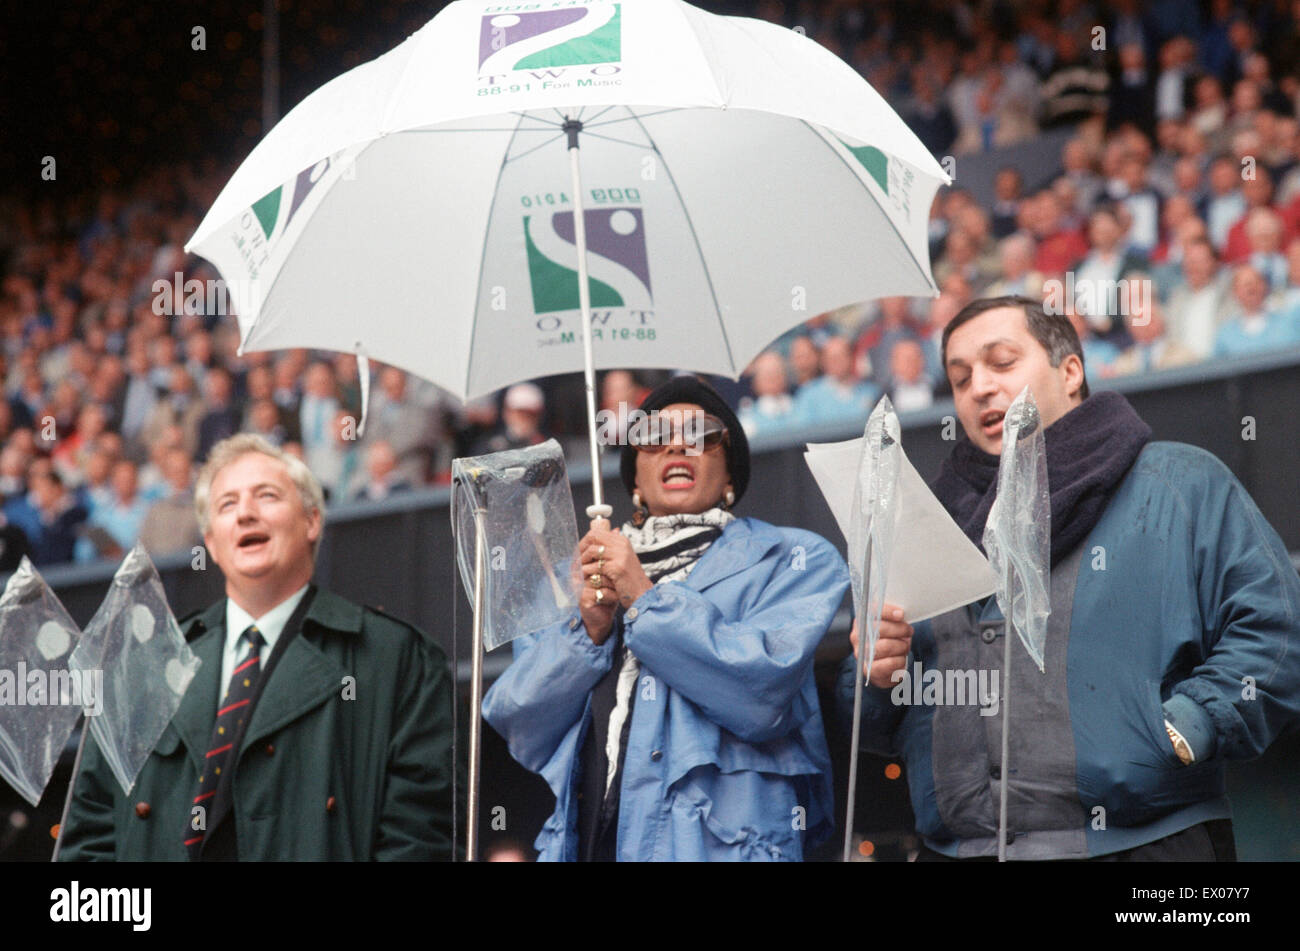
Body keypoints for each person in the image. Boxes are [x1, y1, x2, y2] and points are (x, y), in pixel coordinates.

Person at [838, 295, 1300, 861]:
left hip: (1147, 847)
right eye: (960, 379)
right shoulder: (921, 522)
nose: (979, 387)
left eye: (1002, 362)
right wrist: (877, 678)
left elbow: (1275, 631)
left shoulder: (1181, 481)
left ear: (1071, 370)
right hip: (961, 849)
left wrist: (1185, 729)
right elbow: (866, 716)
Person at [483, 376, 848, 861]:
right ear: (635, 480)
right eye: (653, 437)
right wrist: (588, 633)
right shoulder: (586, 580)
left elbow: (760, 693)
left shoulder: (793, 559)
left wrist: (643, 596)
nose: (677, 443)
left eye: (700, 434)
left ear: (731, 474)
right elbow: (518, 718)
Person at [59, 434, 454, 861]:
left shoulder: (395, 658)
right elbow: (89, 840)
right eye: (227, 504)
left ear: (311, 521)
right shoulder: (145, 668)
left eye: (266, 496)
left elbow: (419, 840)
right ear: (211, 542)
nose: (246, 513)